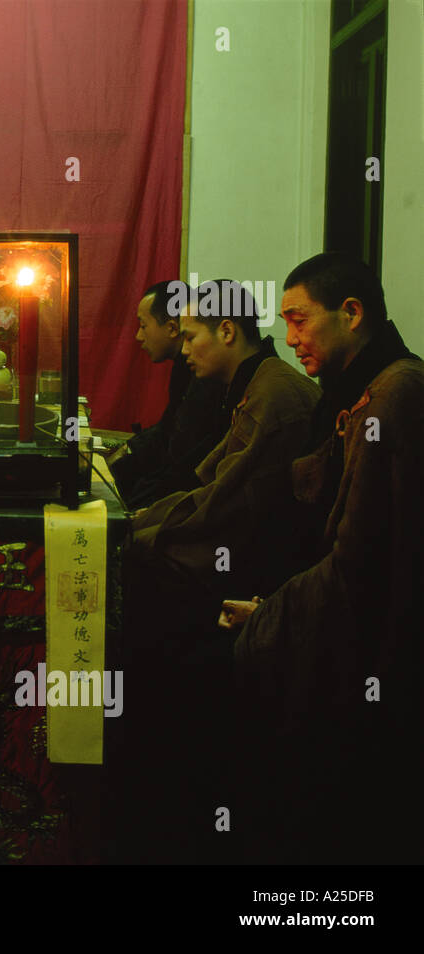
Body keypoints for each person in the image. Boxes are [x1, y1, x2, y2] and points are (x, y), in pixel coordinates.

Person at [221, 252, 424, 863]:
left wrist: (267, 615)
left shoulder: (393, 397)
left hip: (370, 663)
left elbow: (361, 565)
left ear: (353, 313)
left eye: (300, 320)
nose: (290, 339)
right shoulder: (355, 391)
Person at [113, 279, 318, 864]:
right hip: (232, 549)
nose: (183, 348)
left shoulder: (275, 395)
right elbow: (205, 485)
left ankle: (159, 805)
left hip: (251, 574)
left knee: (142, 599)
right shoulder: (250, 387)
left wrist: (140, 535)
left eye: (194, 335)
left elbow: (218, 509)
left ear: (228, 332)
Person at [108, 280, 225, 509]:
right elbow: (169, 430)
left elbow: (183, 461)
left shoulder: (209, 376)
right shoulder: (186, 367)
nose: (138, 336)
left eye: (143, 325)